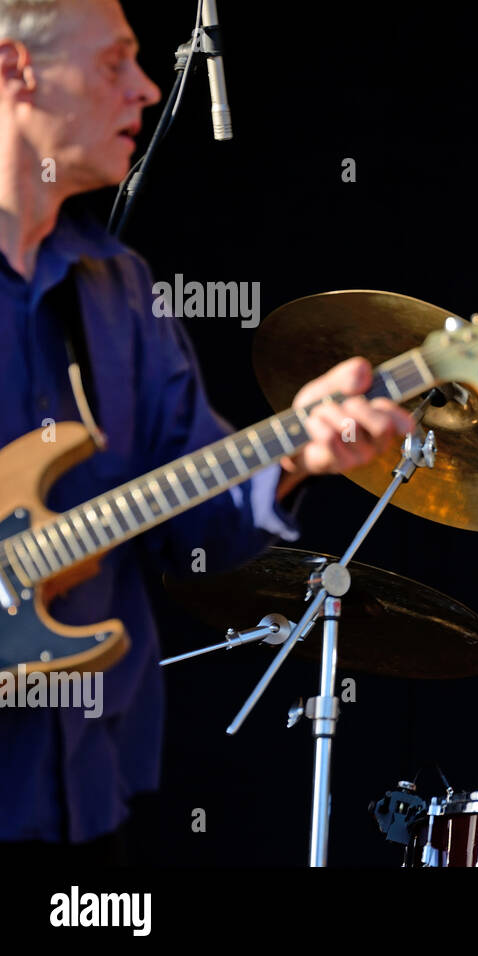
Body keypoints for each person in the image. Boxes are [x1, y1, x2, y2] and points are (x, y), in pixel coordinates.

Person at [0, 0, 413, 862]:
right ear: (14, 69)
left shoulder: (114, 288)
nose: (149, 89)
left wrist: (297, 453)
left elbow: (202, 527)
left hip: (84, 779)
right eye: (115, 63)